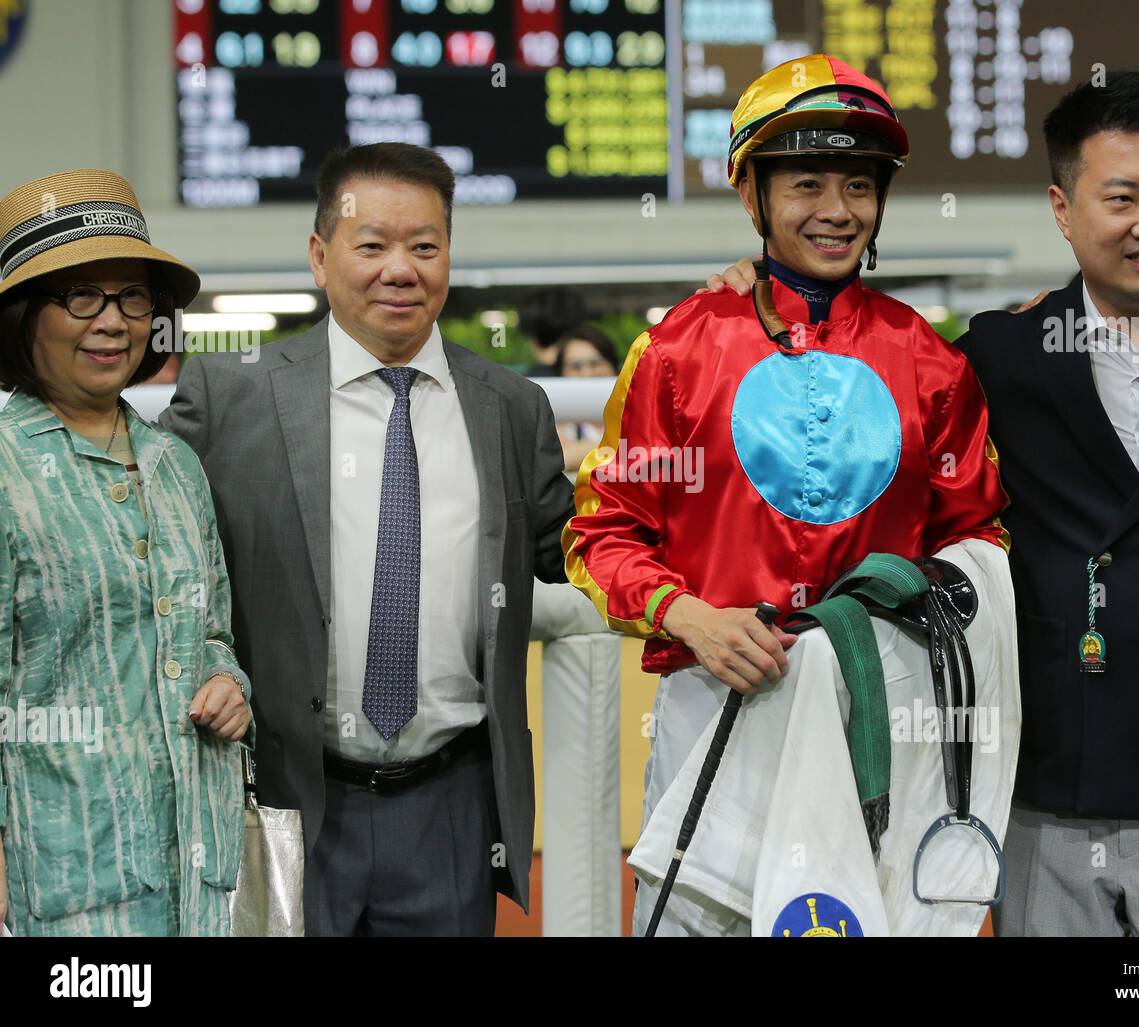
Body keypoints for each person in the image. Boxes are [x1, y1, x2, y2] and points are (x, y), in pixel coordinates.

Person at [709, 70, 1139, 936]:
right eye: (1122, 197)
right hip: (1031, 789)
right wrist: (762, 299)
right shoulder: (994, 356)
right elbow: (853, 392)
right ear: (1063, 209)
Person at [563, 54, 1011, 935]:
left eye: (859, 184)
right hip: (713, 724)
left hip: (879, 735)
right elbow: (600, 537)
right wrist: (689, 614)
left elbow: (978, 548)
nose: (837, 210)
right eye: (806, 182)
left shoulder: (934, 364)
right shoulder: (676, 354)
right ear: (751, 193)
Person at [160, 143, 575, 936]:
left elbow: (585, 547)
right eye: (372, 244)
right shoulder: (230, 395)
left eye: (425, 245)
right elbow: (156, 546)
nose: (400, 269)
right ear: (320, 257)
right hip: (280, 798)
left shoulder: (511, 409)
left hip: (449, 810)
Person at [0, 169, 251, 936]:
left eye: (132, 297)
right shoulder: (8, 466)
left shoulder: (176, 464)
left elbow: (213, 630)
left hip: (199, 874)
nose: (112, 321)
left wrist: (227, 680)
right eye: (81, 296)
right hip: (63, 882)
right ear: (22, 318)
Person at [554, 323, 620, 472]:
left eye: (596, 363)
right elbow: (560, 460)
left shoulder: (634, 414)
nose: (587, 374)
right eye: (575, 366)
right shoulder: (556, 424)